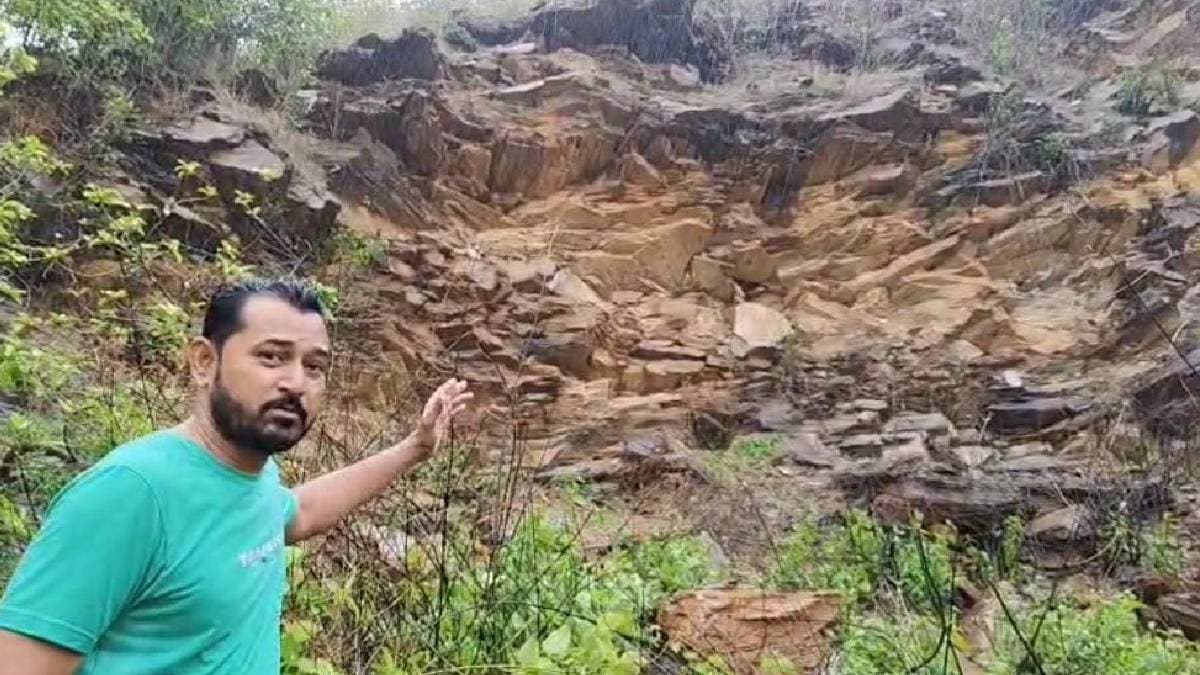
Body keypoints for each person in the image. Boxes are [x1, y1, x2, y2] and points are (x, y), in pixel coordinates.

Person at [0, 277, 472, 674]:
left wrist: (415, 448)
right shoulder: (133, 492)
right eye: (271, 357)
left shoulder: (255, 476)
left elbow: (301, 513)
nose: (295, 383)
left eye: (315, 366)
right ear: (205, 362)